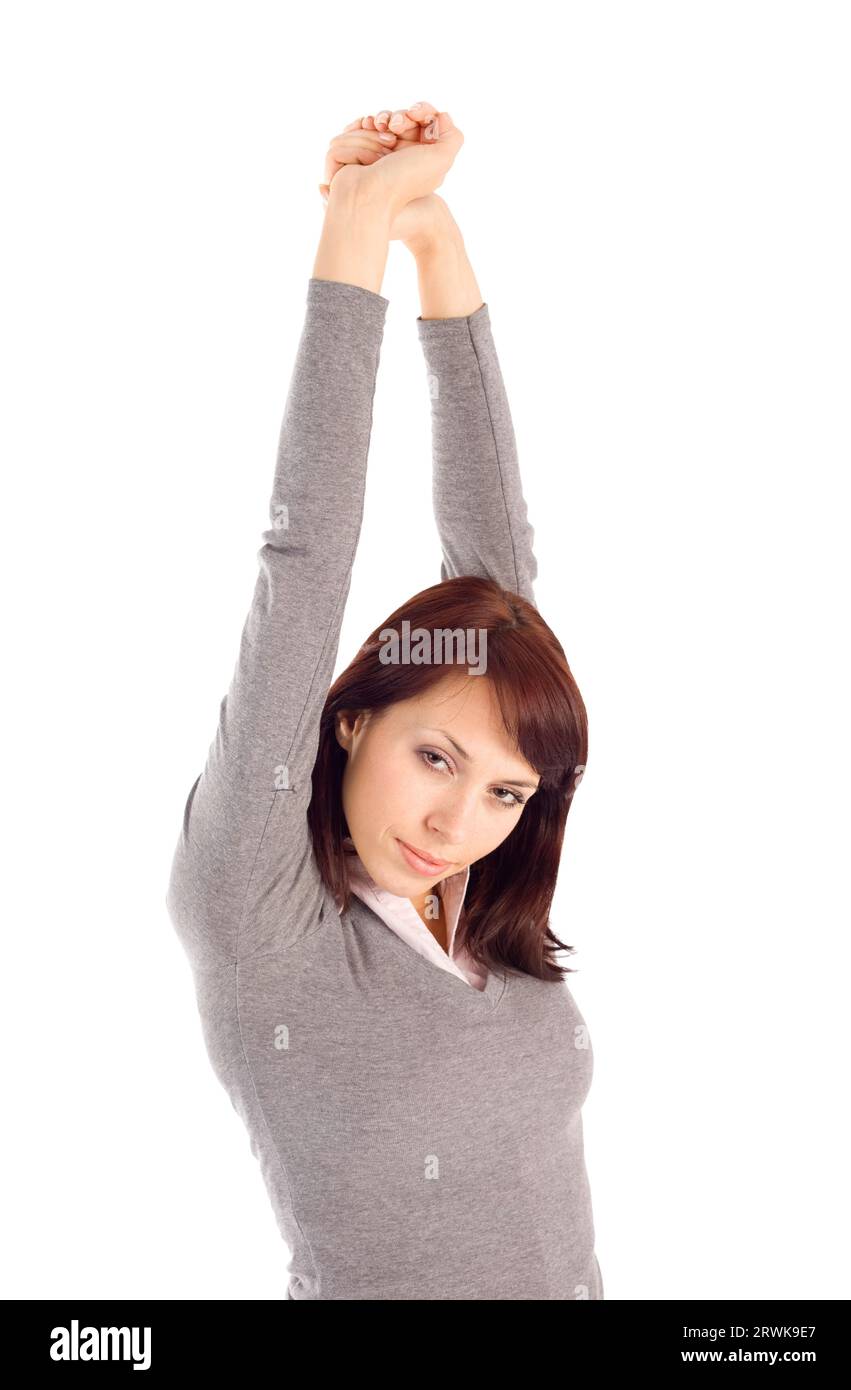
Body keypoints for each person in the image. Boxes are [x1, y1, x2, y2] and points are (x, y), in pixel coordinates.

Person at [166, 101, 603, 1300]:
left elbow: (497, 578)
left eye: (506, 791)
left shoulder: (469, 905)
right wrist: (356, 226)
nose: (458, 823)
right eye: (435, 758)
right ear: (351, 714)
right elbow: (301, 561)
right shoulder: (260, 914)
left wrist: (436, 242)